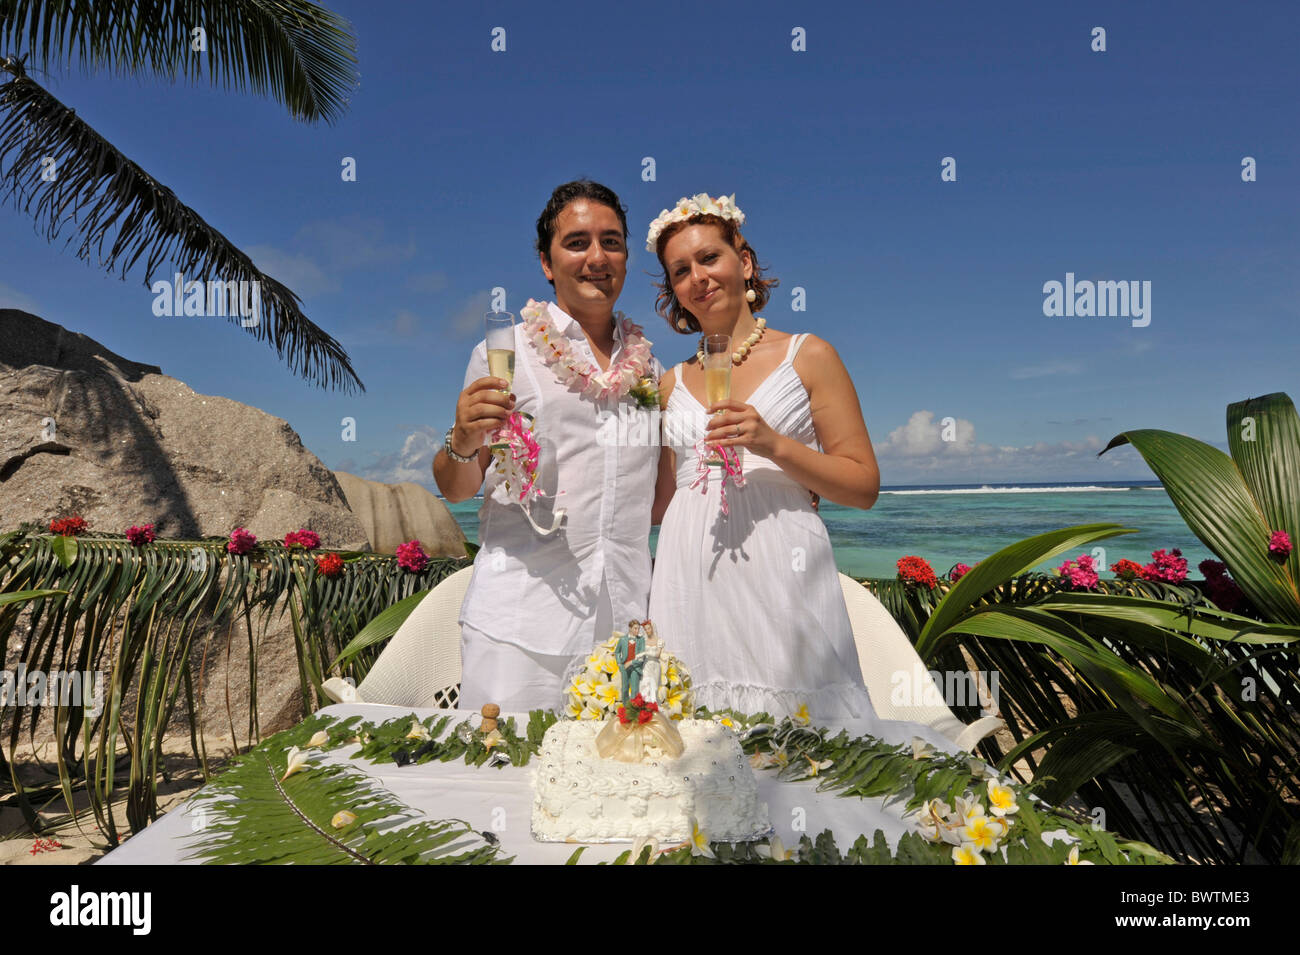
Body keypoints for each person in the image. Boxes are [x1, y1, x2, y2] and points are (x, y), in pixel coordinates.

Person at [645, 193, 951, 748]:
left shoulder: (808, 356)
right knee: (692, 753)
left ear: (746, 263)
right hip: (688, 575)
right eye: (680, 271)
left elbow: (862, 485)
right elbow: (659, 503)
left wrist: (773, 444)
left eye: (710, 258)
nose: (698, 278)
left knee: (809, 751)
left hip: (782, 567)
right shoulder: (667, 383)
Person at [434, 180, 664, 712]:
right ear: (546, 262)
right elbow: (457, 487)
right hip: (522, 626)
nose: (597, 257)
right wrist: (463, 438)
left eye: (612, 241)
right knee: (501, 776)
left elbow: (665, 491)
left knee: (618, 785)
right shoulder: (505, 351)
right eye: (577, 242)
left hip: (625, 628)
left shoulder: (652, 370)